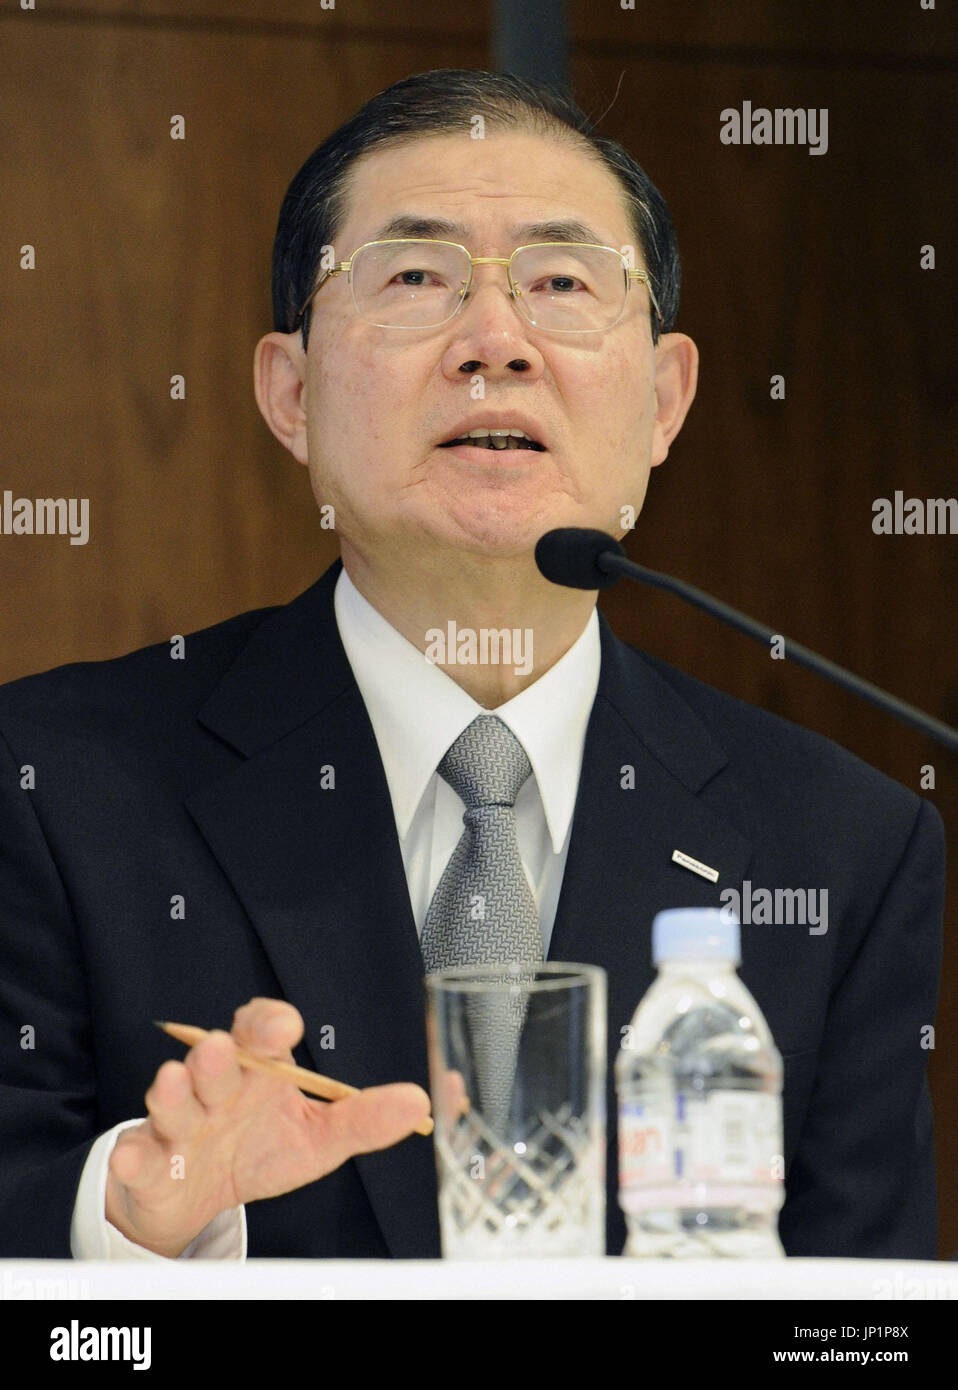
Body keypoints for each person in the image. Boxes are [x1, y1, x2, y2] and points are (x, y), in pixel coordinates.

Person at [0, 69, 943, 1262]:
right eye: (414, 279)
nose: (493, 342)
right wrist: (131, 1223)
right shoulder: (49, 787)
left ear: (664, 402)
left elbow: (861, 1322)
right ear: (290, 395)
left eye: (559, 282)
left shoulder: (844, 846)